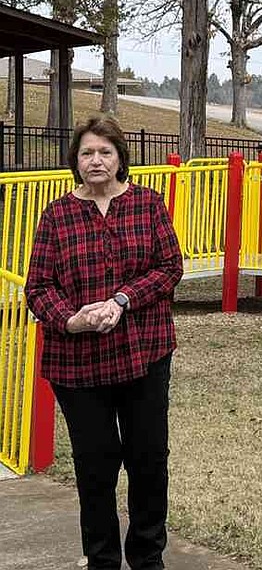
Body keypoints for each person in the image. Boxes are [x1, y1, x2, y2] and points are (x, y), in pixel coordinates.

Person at [25, 115, 183, 570]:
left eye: (104, 152)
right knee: (95, 466)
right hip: (78, 365)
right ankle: (102, 560)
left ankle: (148, 556)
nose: (95, 160)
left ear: (120, 159)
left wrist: (122, 299)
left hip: (144, 353)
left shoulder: (148, 205)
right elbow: (38, 287)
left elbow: (170, 267)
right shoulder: (57, 216)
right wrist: (70, 320)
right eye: (87, 153)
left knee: (148, 458)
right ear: (75, 161)